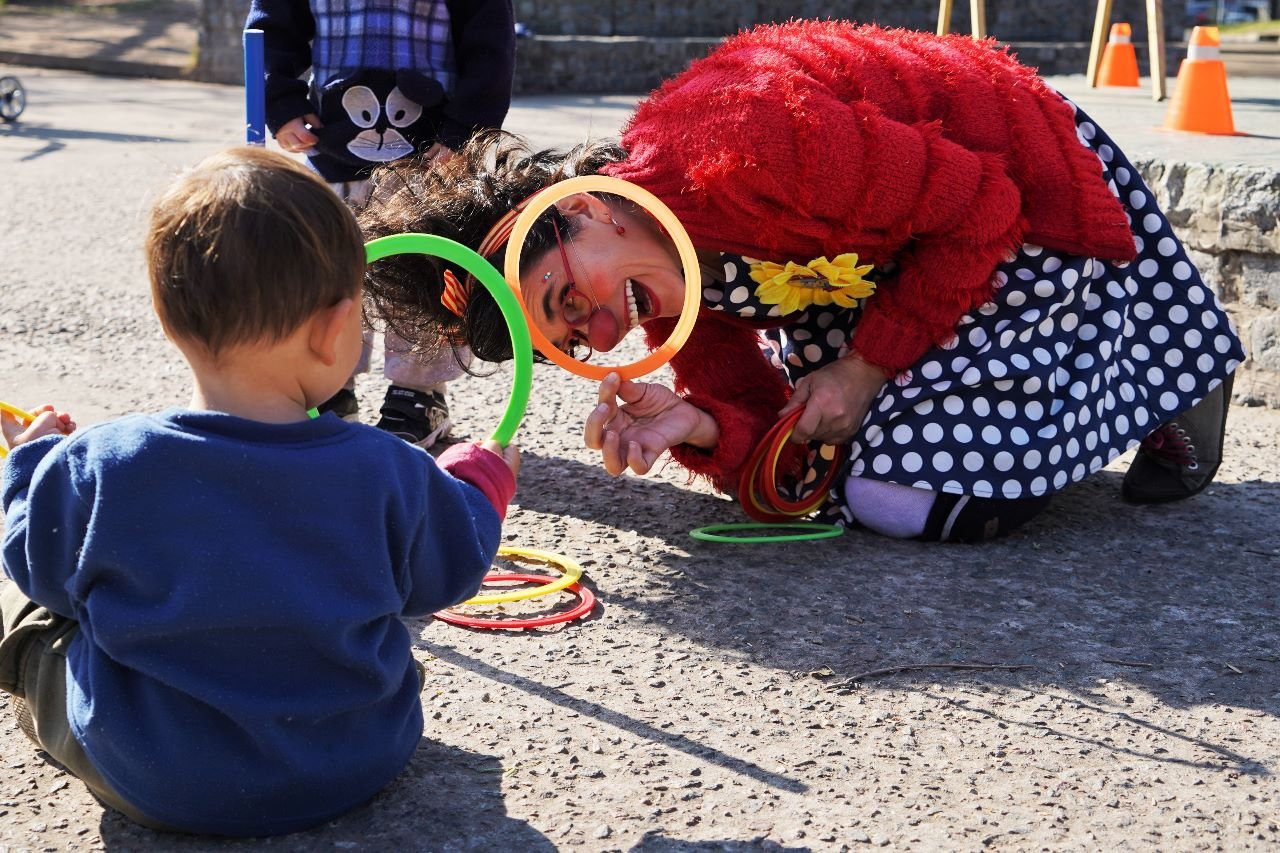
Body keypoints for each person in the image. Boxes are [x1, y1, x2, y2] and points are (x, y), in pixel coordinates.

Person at [358, 20, 1245, 543]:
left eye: (563, 301)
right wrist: (700, 422)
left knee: (911, 491)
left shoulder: (743, 138)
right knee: (868, 480)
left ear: (582, 209)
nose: (599, 334)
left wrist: (865, 369)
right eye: (570, 343)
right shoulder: (666, 277)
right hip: (896, 259)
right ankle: (1031, 400)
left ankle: (1175, 368)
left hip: (1017, 195)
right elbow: (793, 481)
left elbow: (984, 203)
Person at [0, 147, 520, 835]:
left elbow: (36, 565)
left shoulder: (100, 463)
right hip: (356, 759)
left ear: (166, 319)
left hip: (156, 774)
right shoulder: (387, 468)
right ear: (337, 330)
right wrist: (482, 475)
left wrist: (31, 460)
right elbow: (452, 561)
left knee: (34, 617)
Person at [246, 0, 517, 447]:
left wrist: (466, 131)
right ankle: (327, 384)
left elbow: (489, 41)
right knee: (327, 271)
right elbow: (274, 25)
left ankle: (419, 392)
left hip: (432, 151)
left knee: (425, 270)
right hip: (332, 140)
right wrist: (281, 103)